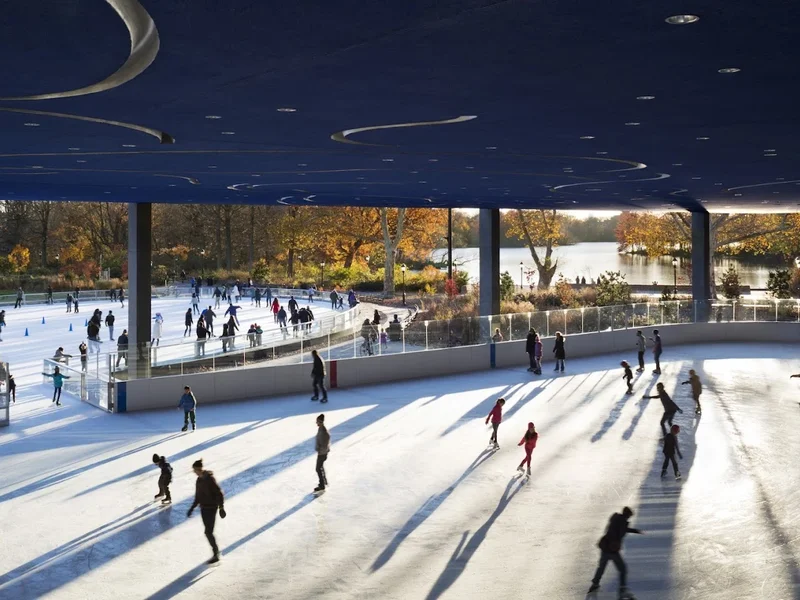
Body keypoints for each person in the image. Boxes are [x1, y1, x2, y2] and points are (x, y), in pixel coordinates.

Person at [587, 507, 643, 598]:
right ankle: (622, 589)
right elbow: (620, 531)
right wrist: (615, 544)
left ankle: (595, 584)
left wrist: (634, 530)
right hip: (612, 550)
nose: (629, 518)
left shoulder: (616, 519)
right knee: (623, 569)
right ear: (627, 515)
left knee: (601, 567)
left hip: (605, 548)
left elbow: (619, 529)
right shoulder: (622, 522)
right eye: (629, 516)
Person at [187, 458, 226, 564]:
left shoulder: (210, 479)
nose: (194, 472)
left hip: (211, 508)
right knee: (208, 532)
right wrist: (192, 508)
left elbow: (219, 493)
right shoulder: (198, 481)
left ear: (198, 469)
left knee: (208, 532)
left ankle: (216, 554)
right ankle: (216, 553)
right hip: (203, 509)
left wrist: (221, 508)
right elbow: (197, 496)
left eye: (194, 470)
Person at [314, 414, 330, 493]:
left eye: (317, 421)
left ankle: (322, 485)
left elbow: (326, 439)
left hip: (322, 454)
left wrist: (321, 449)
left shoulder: (323, 431)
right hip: (322, 452)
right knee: (320, 468)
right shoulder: (320, 429)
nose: (316, 423)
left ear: (320, 421)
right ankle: (323, 482)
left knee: (318, 468)